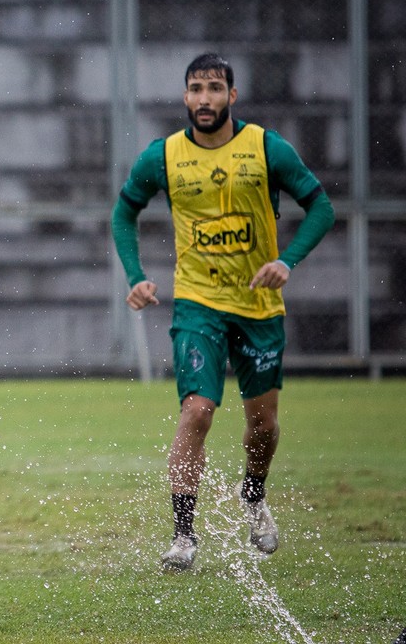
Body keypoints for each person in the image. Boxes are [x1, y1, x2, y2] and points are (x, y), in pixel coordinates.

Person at [111, 53, 334, 570]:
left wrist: (286, 260)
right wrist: (135, 276)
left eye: (215, 88)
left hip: (258, 306)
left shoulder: (265, 148)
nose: (205, 98)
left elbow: (322, 206)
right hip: (197, 304)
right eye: (195, 89)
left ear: (232, 96)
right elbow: (125, 212)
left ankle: (253, 494)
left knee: (263, 426)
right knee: (197, 411)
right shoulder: (163, 157)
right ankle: (184, 535)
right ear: (185, 97)